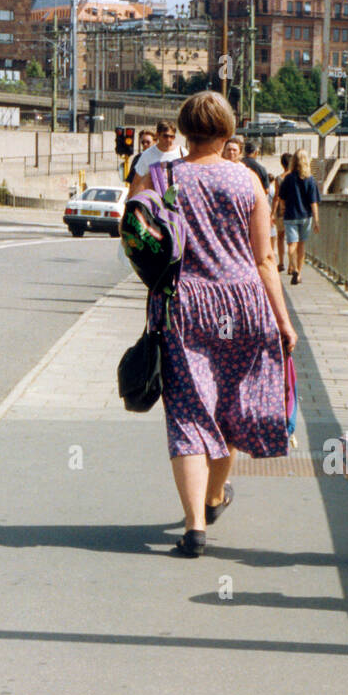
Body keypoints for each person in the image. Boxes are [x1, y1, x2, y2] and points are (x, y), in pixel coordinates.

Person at [127, 91, 297, 558]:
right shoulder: (246, 181)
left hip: (182, 305)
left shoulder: (163, 177)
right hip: (241, 304)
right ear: (226, 132)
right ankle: (215, 496)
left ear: (183, 131)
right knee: (228, 408)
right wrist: (283, 322)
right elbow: (265, 259)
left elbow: (139, 235)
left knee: (188, 413)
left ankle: (195, 526)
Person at [276, 149, 320, 286]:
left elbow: (281, 198)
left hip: (290, 215)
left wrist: (283, 208)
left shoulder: (288, 178)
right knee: (301, 245)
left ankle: (293, 267)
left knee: (291, 244)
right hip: (305, 216)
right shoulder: (310, 180)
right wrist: (316, 220)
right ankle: (299, 273)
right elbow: (314, 202)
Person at [273, 152, 292, 273]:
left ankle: (281, 262)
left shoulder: (279, 178)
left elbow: (276, 197)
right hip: (293, 211)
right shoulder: (297, 177)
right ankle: (292, 265)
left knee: (280, 237)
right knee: (292, 239)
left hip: (281, 211)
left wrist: (272, 213)